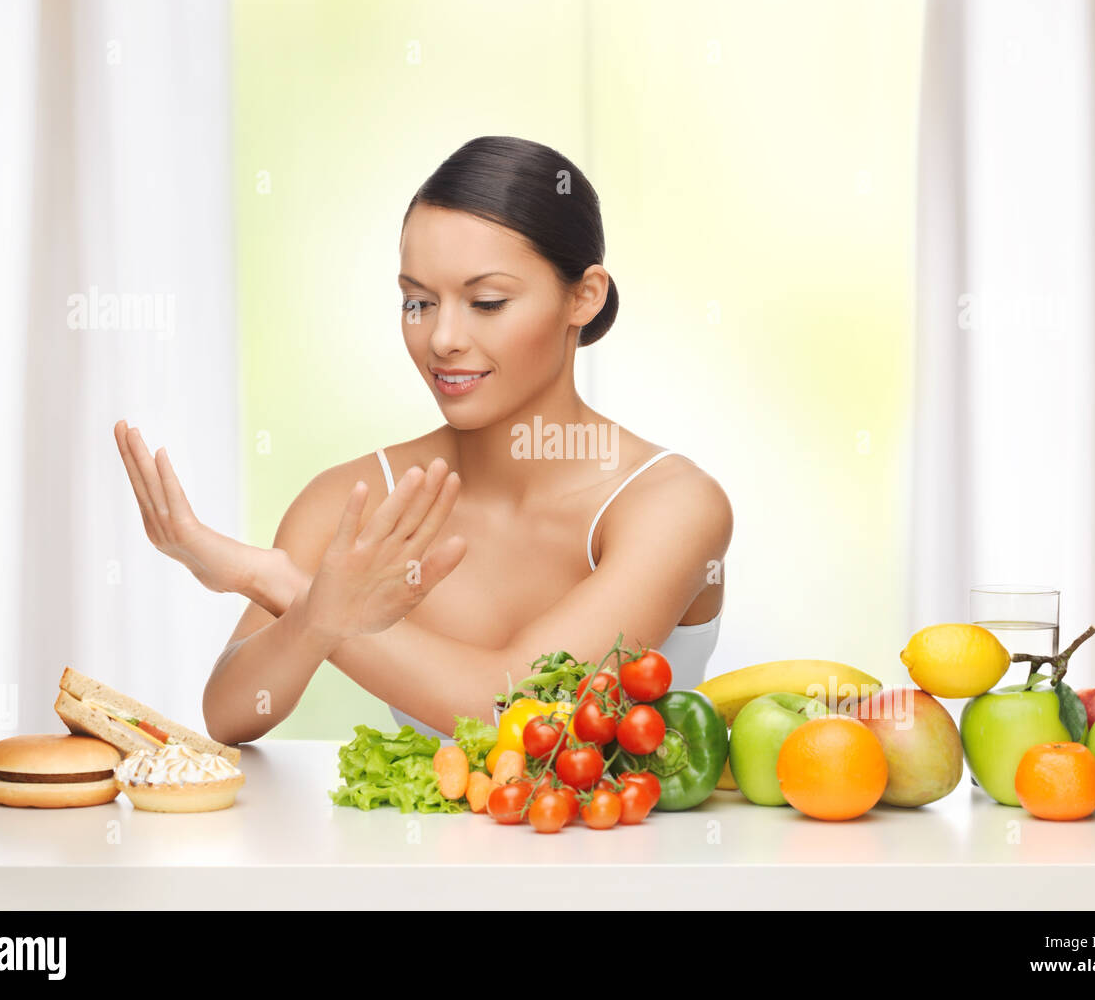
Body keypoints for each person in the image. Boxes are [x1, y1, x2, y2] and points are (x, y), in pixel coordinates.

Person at [114, 136, 732, 742]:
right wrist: (311, 617)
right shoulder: (355, 501)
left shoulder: (671, 504)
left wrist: (280, 584)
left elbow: (515, 713)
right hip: (421, 851)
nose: (442, 339)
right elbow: (233, 714)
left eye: (487, 302)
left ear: (584, 297)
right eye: (418, 303)